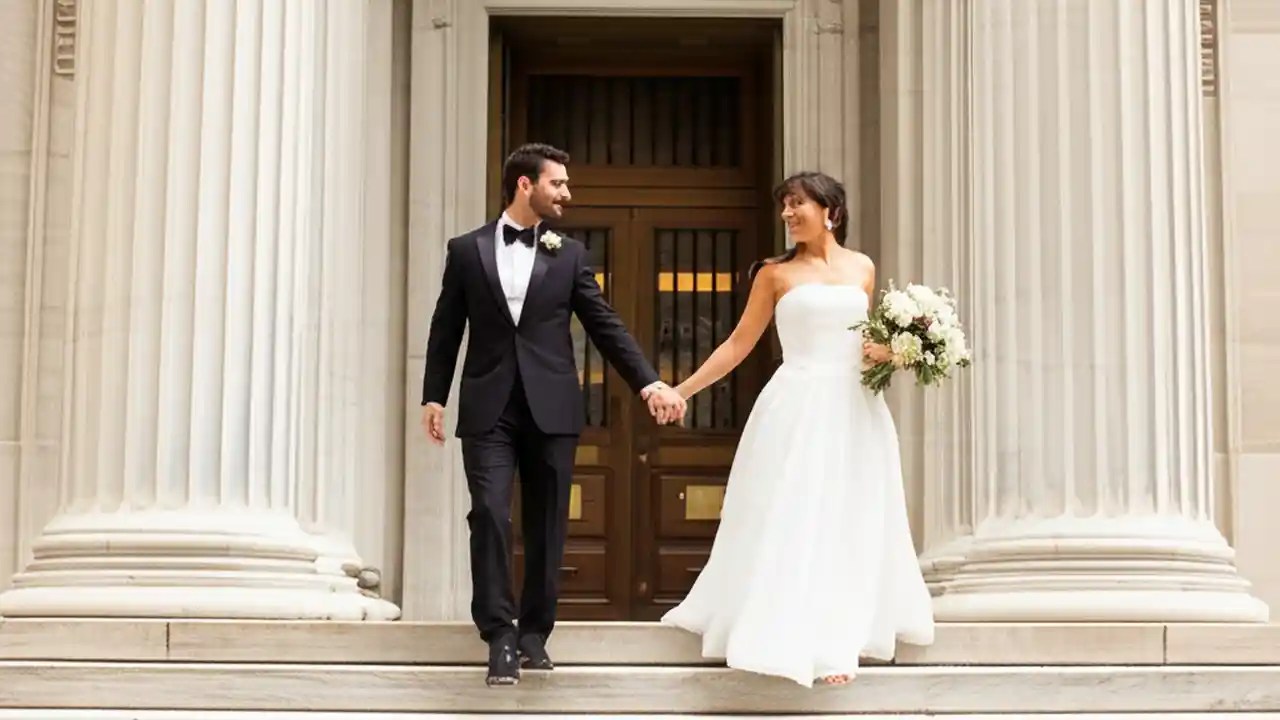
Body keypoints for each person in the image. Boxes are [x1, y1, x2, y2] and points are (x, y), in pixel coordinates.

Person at [421, 143, 687, 687]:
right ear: (526, 184)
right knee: (489, 513)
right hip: (488, 407)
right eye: (557, 183)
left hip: (552, 406)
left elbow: (604, 324)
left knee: (546, 524)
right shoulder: (467, 250)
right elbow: (446, 327)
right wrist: (434, 396)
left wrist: (648, 382)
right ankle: (499, 635)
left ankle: (535, 634)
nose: (566, 192)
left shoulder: (569, 255)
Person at [659, 171, 935, 687]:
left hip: (856, 408)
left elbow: (864, 344)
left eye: (797, 204)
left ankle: (842, 635)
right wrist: (683, 390)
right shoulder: (773, 274)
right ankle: (803, 640)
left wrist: (891, 352)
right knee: (798, 512)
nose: (787, 214)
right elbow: (737, 345)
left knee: (851, 515)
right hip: (797, 405)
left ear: (831, 211)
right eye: (784, 205)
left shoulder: (863, 268)